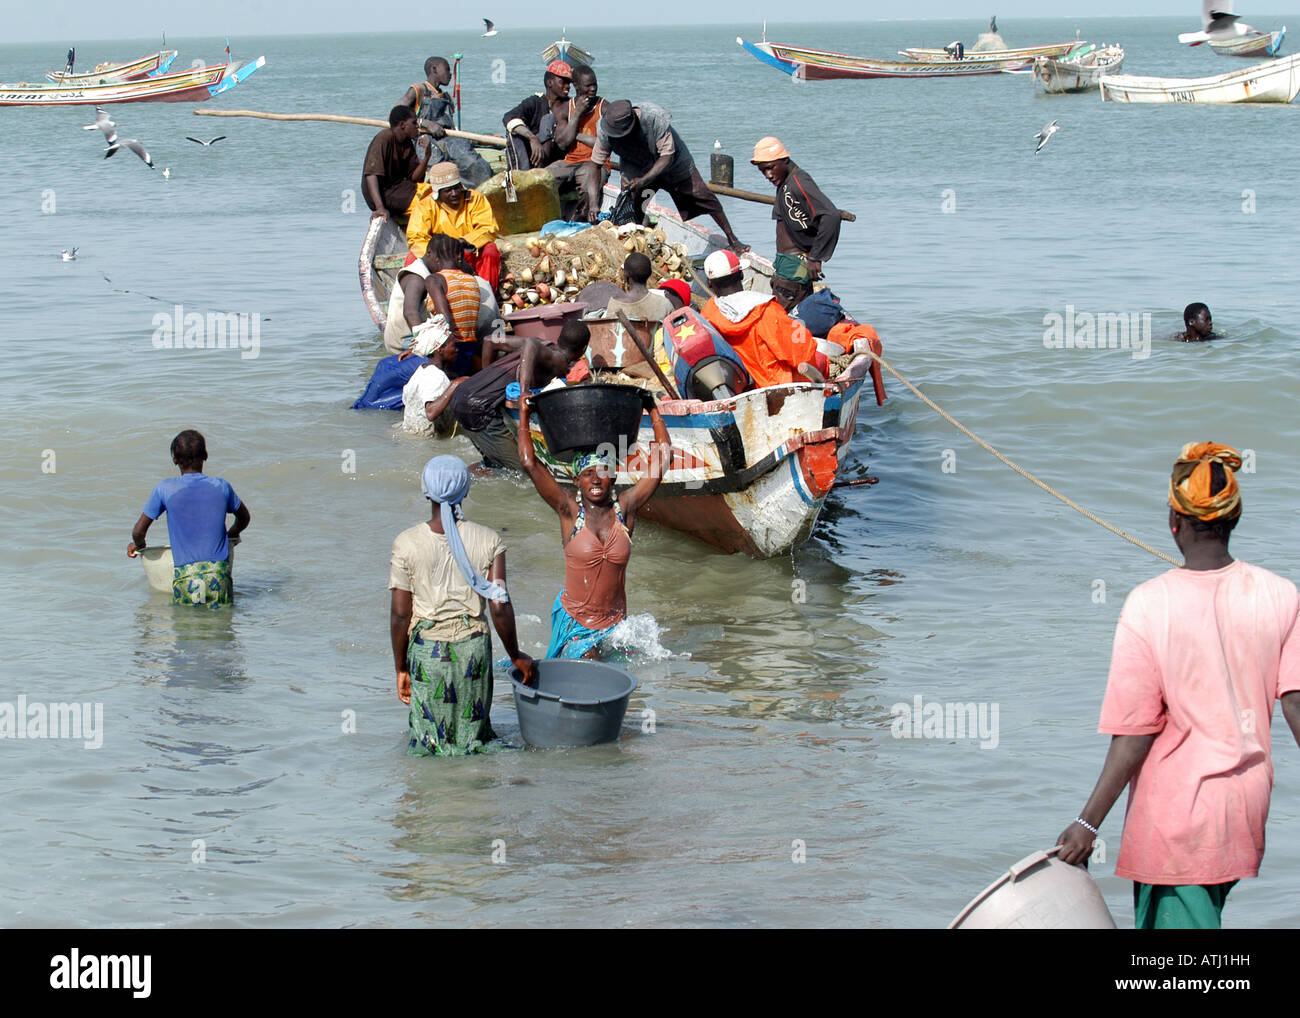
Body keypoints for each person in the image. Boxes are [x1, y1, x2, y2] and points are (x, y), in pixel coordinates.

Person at [1056, 442, 1300, 929]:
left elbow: (1135, 734)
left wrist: (1087, 824)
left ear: (1174, 519)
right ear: (1235, 517)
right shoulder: (1280, 594)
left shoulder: (1149, 605)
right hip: (1243, 809)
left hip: (1178, 822)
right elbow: (1295, 704)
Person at [390, 456, 537, 756]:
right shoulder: (489, 540)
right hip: (473, 651)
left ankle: (432, 797)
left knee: (428, 743)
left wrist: (401, 667)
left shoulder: (405, 543)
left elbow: (400, 614)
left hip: (427, 652)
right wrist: (515, 654)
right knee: (475, 738)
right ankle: (477, 795)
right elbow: (499, 606)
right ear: (466, 491)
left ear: (426, 491)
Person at [516, 389, 671, 659]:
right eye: (588, 474)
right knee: (591, 667)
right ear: (577, 480)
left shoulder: (625, 509)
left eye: (603, 473)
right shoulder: (569, 512)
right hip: (577, 624)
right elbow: (530, 463)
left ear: (612, 476)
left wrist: (652, 409)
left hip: (616, 627)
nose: (596, 480)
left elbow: (663, 460)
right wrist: (524, 414)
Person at [589, 99, 747, 253]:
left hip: (673, 163)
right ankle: (635, 245)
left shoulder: (654, 119)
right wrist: (593, 202)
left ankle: (732, 238)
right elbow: (595, 165)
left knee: (702, 195)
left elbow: (667, 157)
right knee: (630, 205)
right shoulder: (605, 131)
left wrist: (644, 180)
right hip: (636, 165)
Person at [127, 430, 251, 607]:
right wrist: (232, 534)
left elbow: (138, 532)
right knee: (221, 631)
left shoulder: (165, 489)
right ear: (206, 456)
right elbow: (244, 518)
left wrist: (138, 546)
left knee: (188, 630)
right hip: (219, 576)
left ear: (175, 460)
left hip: (186, 579)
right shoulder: (222, 486)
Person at [449, 324, 591, 470]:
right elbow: (531, 345)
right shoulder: (556, 360)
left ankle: (463, 475)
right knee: (523, 472)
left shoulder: (544, 345)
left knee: (494, 464)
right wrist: (524, 391)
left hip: (462, 394)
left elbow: (489, 340)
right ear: (584, 349)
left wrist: (486, 380)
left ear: (559, 338)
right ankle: (461, 476)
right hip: (477, 408)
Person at [699, 249, 828, 386]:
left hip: (737, 386)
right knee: (820, 359)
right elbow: (800, 355)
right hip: (774, 385)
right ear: (742, 275)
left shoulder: (708, 314)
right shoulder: (766, 310)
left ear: (709, 283)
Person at [751, 137, 841, 281]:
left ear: (785, 159)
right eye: (763, 171)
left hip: (796, 264)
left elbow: (831, 216)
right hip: (786, 262)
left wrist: (815, 258)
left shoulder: (799, 183)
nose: (768, 175)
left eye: (770, 167)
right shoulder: (784, 183)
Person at [399, 56, 492, 187]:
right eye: (447, 70)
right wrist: (424, 123)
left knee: (476, 164)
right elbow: (395, 114)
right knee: (443, 170)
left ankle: (480, 195)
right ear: (434, 70)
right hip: (426, 141)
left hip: (449, 140)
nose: (450, 74)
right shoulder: (418, 90)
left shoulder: (446, 97)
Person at [406, 162, 501, 289]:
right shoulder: (425, 206)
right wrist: (440, 253)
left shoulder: (475, 198)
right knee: (412, 258)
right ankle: (423, 299)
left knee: (490, 250)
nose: (454, 193)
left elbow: (489, 228)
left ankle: (487, 292)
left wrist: (465, 241)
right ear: (438, 193)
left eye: (456, 187)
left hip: (468, 251)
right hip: (439, 259)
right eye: (448, 190)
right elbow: (415, 238)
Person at [547, 63, 610, 222]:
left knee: (590, 187)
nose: (593, 89)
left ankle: (581, 221)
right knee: (540, 179)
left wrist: (576, 135)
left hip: (596, 163)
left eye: (595, 84)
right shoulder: (565, 109)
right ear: (576, 86)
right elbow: (562, 143)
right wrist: (576, 115)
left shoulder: (604, 107)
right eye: (588, 85)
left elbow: (605, 144)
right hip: (570, 162)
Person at [361, 106, 433, 223]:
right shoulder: (384, 139)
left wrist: (427, 156)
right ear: (402, 125)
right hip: (383, 194)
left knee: (435, 191)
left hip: (400, 188)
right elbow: (371, 175)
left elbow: (414, 177)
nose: (417, 126)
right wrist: (380, 207)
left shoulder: (407, 142)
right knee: (429, 204)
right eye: (414, 123)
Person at [502, 60, 571, 170]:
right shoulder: (535, 102)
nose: (568, 86)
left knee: (548, 121)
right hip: (531, 158)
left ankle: (541, 172)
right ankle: (521, 174)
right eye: (563, 82)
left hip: (556, 161)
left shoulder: (571, 106)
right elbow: (509, 117)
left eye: (569, 83)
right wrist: (532, 138)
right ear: (550, 83)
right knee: (513, 132)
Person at [606, 253, 674, 321]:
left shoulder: (615, 304)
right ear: (650, 273)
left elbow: (607, 330)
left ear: (625, 274)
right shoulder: (664, 304)